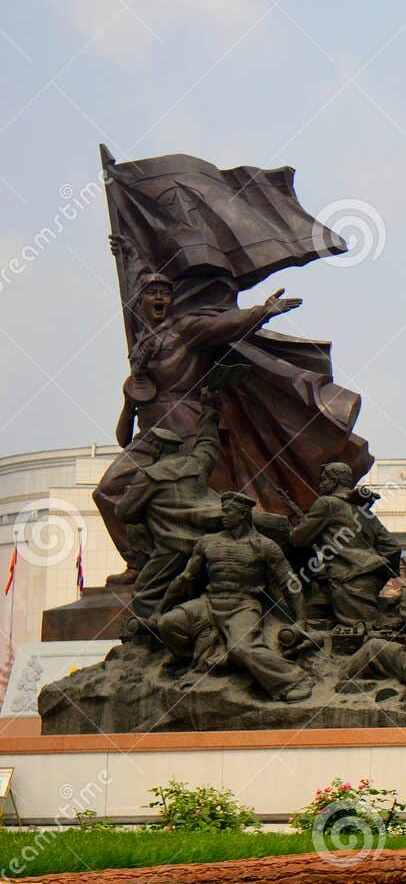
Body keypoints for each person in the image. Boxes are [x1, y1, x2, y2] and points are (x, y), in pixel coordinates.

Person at [93, 259, 304, 585]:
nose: (160, 297)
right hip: (150, 435)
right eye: (153, 293)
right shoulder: (140, 347)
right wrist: (128, 253)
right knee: (108, 492)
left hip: (188, 429)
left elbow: (223, 326)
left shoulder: (184, 329)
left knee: (209, 503)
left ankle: (250, 564)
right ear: (141, 301)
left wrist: (262, 311)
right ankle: (140, 564)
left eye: (166, 292)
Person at [158, 492, 313, 702]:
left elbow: (290, 584)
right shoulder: (207, 542)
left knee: (243, 648)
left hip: (243, 605)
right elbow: (185, 578)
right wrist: (160, 609)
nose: (222, 515)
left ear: (242, 514)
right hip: (209, 602)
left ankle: (294, 679)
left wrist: (301, 621)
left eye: (227, 510)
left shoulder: (265, 546)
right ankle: (204, 661)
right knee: (168, 624)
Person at [112, 389, 224, 637]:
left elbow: (125, 512)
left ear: (156, 450)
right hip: (211, 541)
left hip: (175, 549)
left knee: (144, 595)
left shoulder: (149, 476)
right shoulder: (196, 464)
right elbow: (208, 442)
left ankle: (156, 644)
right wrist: (208, 409)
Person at [286, 461, 403, 627]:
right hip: (362, 580)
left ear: (334, 481)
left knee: (366, 631)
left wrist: (303, 526)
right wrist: (380, 574)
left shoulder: (327, 503)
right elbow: (394, 548)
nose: (320, 484)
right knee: (310, 612)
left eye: (324, 479)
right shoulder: (364, 511)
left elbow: (297, 540)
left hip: (348, 581)